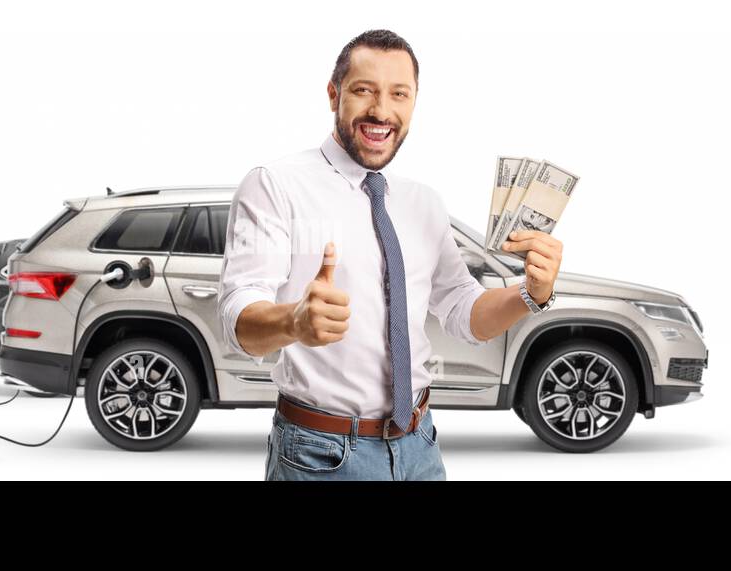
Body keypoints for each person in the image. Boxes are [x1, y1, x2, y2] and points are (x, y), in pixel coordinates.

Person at [217, 29, 564, 481]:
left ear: (413, 102)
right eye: (364, 91)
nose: (381, 110)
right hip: (321, 454)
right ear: (333, 94)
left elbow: (464, 311)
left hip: (420, 446)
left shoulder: (423, 202)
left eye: (398, 94)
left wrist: (531, 293)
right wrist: (293, 322)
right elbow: (235, 314)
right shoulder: (276, 185)